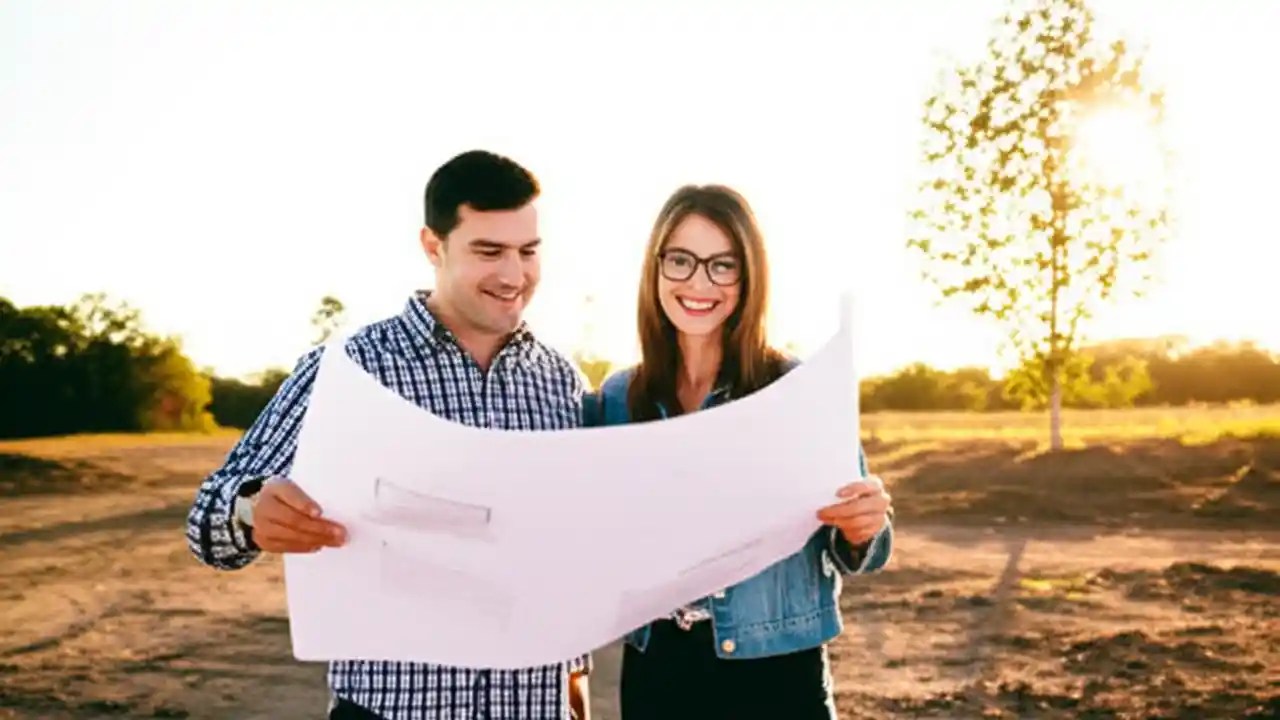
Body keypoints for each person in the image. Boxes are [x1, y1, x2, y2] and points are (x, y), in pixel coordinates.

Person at [185, 149, 592, 720]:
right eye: (488, 251)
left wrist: (575, 688)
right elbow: (209, 522)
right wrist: (252, 511)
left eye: (528, 252)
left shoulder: (563, 383)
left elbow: (573, 555)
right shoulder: (349, 370)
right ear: (433, 246)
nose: (513, 274)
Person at [591, 184, 894, 720]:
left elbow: (863, 546)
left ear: (748, 277)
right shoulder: (619, 398)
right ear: (656, 267)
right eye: (680, 260)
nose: (698, 283)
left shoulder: (795, 388)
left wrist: (863, 525)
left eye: (722, 266)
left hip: (774, 674)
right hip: (657, 671)